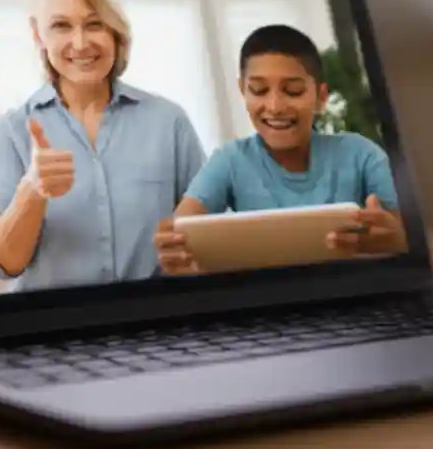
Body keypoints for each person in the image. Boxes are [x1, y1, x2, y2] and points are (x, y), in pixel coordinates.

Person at [0, 0, 206, 290]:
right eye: (61, 26)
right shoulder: (10, 132)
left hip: (159, 323)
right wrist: (32, 191)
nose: (80, 43)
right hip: (56, 331)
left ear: (114, 31)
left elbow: (210, 237)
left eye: (94, 24)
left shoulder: (169, 122)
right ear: (38, 34)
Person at [153, 25, 406, 275]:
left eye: (293, 90)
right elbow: (179, 231)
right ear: (243, 90)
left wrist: (394, 239)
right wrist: (175, 253)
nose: (274, 106)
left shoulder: (361, 154)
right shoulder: (230, 161)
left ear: (320, 96)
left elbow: (412, 240)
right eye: (259, 90)